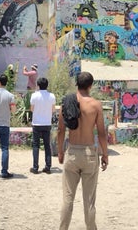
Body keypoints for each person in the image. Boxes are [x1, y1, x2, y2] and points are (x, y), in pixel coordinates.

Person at [57, 72, 108, 230]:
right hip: (89, 153)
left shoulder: (67, 102)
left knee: (67, 199)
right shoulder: (95, 105)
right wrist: (105, 154)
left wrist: (60, 151)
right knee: (89, 201)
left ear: (76, 84)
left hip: (72, 151)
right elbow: (101, 132)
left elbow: (60, 130)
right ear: (90, 86)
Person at [29, 77, 55, 174]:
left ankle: (35, 167)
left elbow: (32, 109)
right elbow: (53, 110)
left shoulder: (34, 95)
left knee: (36, 145)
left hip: (36, 123)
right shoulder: (52, 96)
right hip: (47, 123)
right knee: (47, 145)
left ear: (38, 85)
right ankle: (48, 167)